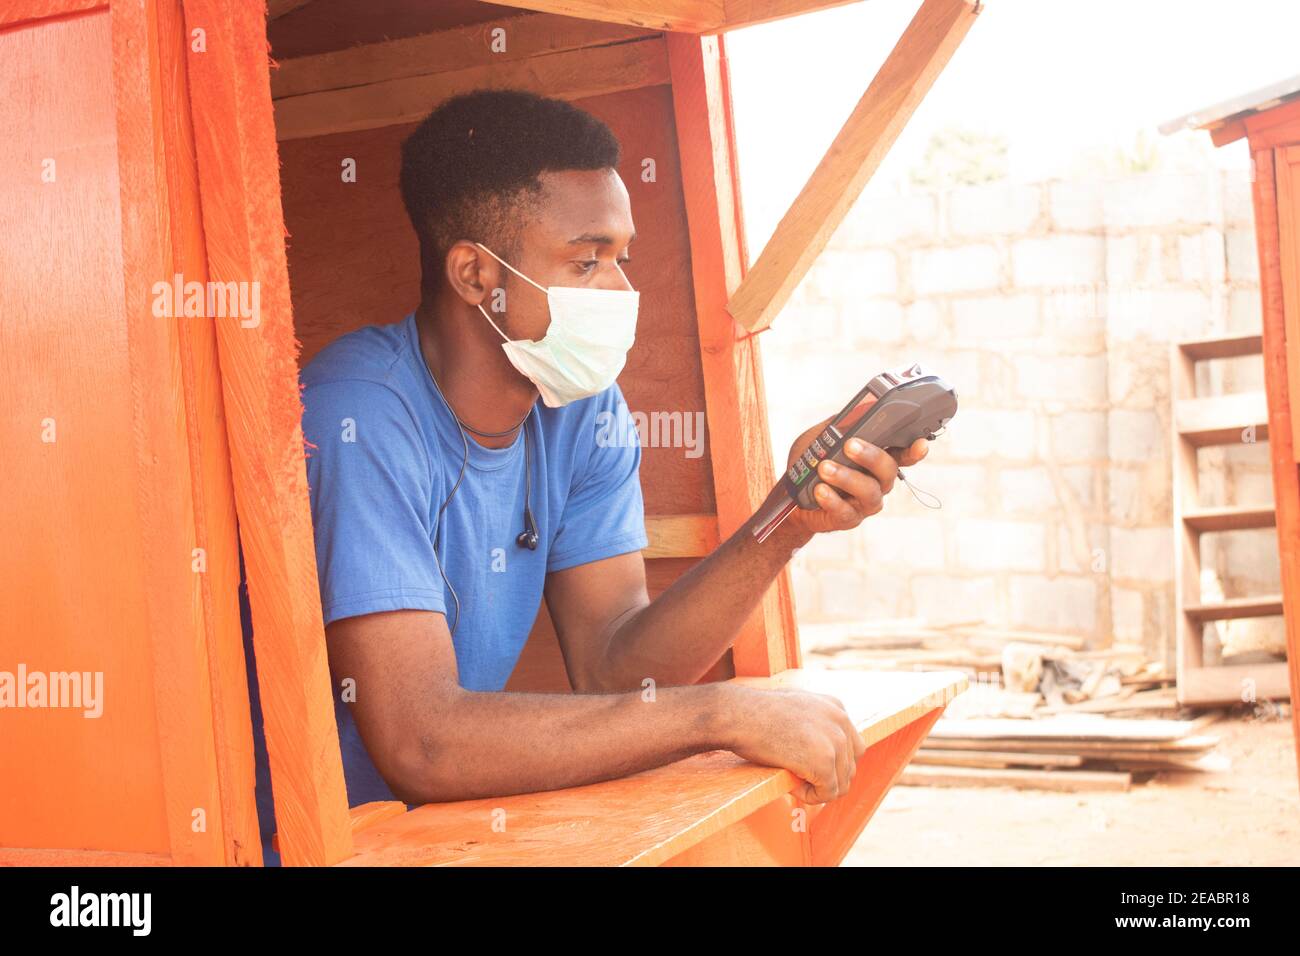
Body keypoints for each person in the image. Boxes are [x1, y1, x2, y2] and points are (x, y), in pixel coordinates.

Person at [247, 88, 927, 864]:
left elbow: (617, 668)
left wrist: (790, 517)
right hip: (323, 842)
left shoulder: (580, 407)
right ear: (476, 275)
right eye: (586, 259)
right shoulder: (358, 414)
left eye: (621, 258)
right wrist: (715, 716)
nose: (621, 291)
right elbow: (421, 741)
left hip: (454, 827)